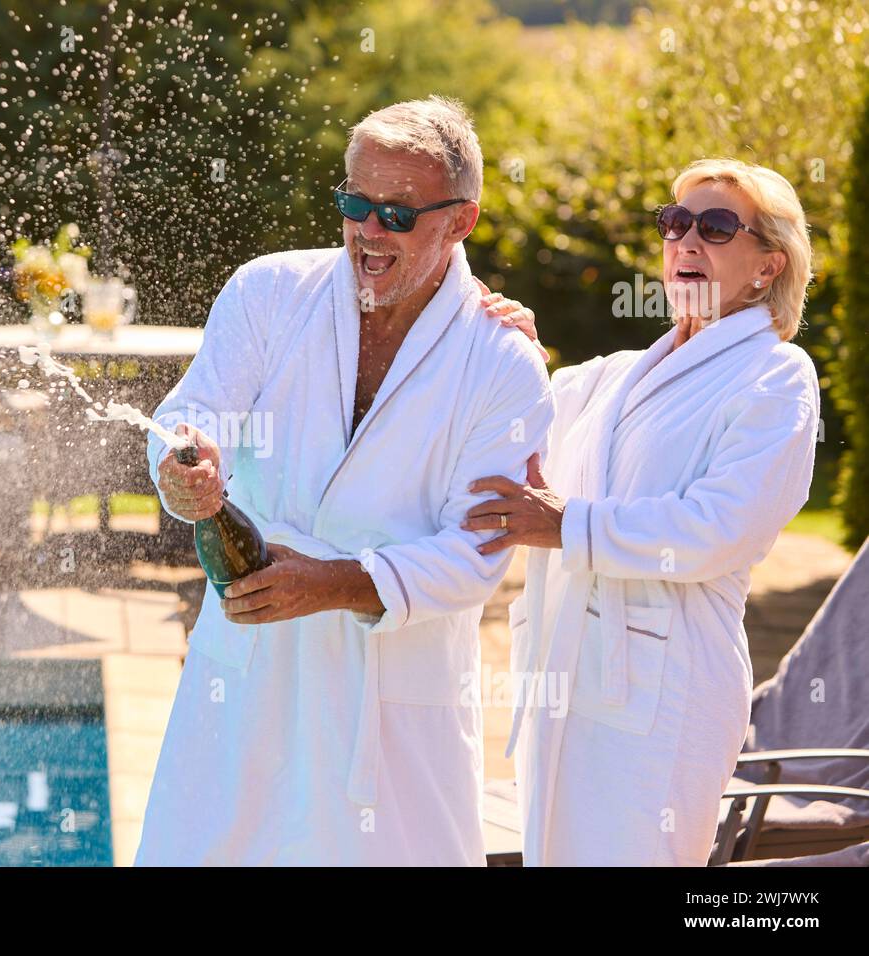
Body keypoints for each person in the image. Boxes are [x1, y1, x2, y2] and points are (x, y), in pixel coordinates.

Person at [132, 95, 554, 865]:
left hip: (391, 696)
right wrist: (185, 457)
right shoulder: (268, 292)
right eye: (354, 202)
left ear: (461, 220)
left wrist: (337, 583)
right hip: (250, 670)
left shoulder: (501, 364)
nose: (368, 230)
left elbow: (477, 555)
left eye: (397, 213)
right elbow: (193, 413)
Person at [465, 159, 820, 865]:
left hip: (668, 693)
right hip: (566, 677)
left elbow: (719, 529)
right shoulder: (616, 375)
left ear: (767, 265)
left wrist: (570, 526)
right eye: (674, 222)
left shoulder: (777, 376)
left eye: (717, 227)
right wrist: (504, 341)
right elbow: (521, 427)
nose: (687, 240)